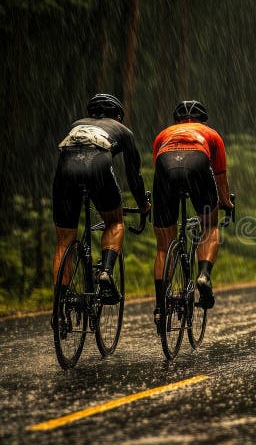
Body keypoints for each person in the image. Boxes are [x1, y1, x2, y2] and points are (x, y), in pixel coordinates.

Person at [52, 93, 151, 301]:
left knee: (64, 241)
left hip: (65, 172)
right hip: (98, 168)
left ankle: (60, 304)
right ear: (117, 116)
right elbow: (134, 176)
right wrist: (143, 205)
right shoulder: (123, 130)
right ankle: (105, 272)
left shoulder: (76, 125)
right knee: (115, 222)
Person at [152, 100, 233, 324]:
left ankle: (160, 306)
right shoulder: (211, 134)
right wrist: (225, 202)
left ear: (176, 121)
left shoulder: (164, 134)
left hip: (165, 165)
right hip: (198, 162)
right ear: (202, 120)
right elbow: (220, 176)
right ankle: (204, 275)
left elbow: (161, 168)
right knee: (209, 227)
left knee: (163, 246)